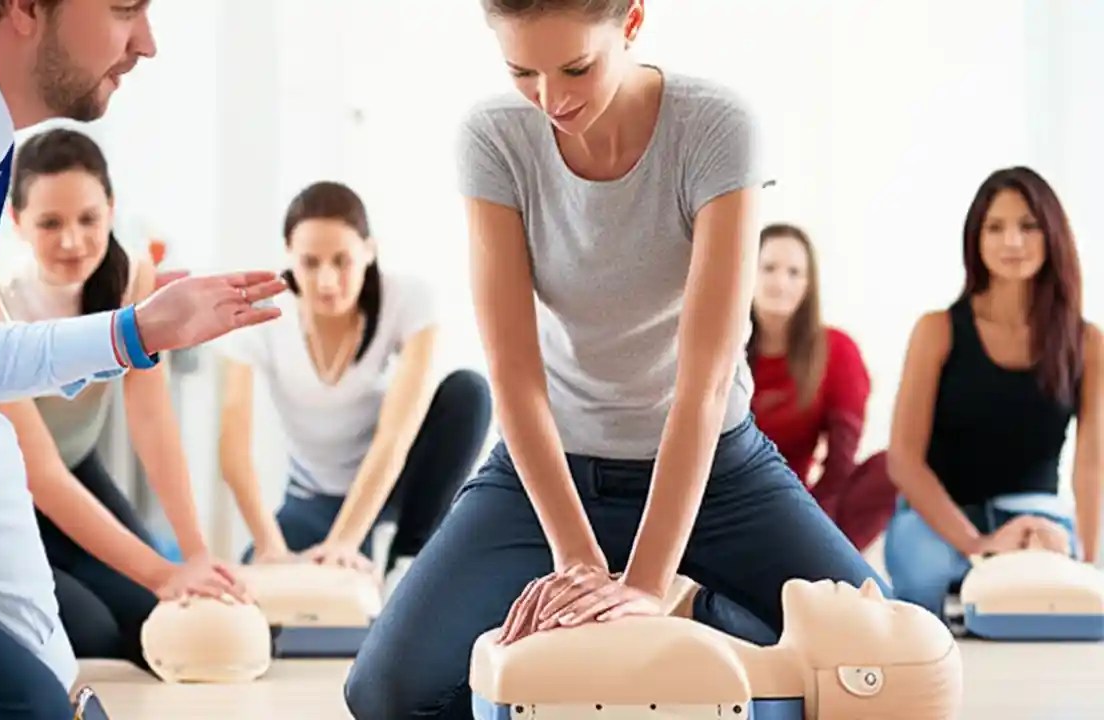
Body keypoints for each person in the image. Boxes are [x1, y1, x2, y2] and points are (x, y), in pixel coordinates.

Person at [343, 2, 886, 718]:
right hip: (549, 470)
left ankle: (700, 609)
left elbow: (706, 380)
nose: (551, 99)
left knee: (881, 665)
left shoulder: (716, 128)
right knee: (386, 694)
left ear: (630, 23)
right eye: (521, 72)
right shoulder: (495, 139)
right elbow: (513, 374)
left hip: (718, 467)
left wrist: (646, 586)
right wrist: (579, 563)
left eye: (576, 68)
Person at [0, 3, 286, 718]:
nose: (147, 42)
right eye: (124, 8)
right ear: (23, 7)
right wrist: (59, 685)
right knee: (20, 698)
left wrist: (136, 331)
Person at [0, 126, 240, 670]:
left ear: (111, 207)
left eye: (88, 219)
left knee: (155, 621)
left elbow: (152, 422)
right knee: (96, 635)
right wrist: (164, 571)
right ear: (17, 223)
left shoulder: (132, 278)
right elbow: (41, 476)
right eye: (49, 223)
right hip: (7, 499)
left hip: (79, 470)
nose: (73, 241)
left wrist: (194, 553)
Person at [219, 181, 493, 573]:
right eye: (310, 263)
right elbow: (233, 450)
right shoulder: (261, 318)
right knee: (254, 595)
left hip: (390, 487)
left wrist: (344, 543)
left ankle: (407, 557)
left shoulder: (409, 298)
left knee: (469, 391)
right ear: (289, 257)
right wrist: (268, 545)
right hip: (312, 498)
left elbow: (396, 434)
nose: (327, 281)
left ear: (369, 251)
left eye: (342, 261)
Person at [885, 166, 1101, 620]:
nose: (1013, 242)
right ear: (975, 240)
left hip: (1036, 513)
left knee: (1049, 590)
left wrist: (1086, 560)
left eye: (1028, 226)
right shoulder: (937, 331)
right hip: (939, 515)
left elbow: (1091, 460)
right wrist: (976, 544)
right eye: (995, 227)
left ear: (1052, 234)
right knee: (924, 578)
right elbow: (904, 460)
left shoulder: (1087, 342)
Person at [747, 223, 896, 551]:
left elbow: (841, 460)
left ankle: (825, 565)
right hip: (735, 504)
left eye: (794, 272)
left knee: (893, 465)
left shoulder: (837, 350)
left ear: (809, 283)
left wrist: (813, 530)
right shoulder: (720, 350)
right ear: (746, 271)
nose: (779, 281)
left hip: (807, 504)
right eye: (768, 268)